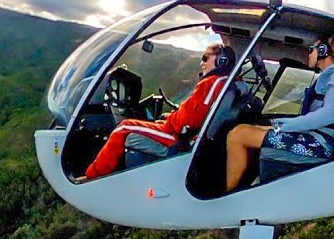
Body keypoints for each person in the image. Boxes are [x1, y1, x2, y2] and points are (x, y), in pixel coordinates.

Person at [82, 43, 235, 180]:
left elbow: (187, 123)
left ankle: (92, 177)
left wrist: (172, 120)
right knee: (152, 120)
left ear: (221, 60)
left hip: (180, 139)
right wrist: (172, 117)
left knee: (123, 127)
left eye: (206, 57)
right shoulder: (225, 82)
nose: (202, 63)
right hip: (186, 135)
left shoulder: (211, 83)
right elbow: (195, 114)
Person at [225, 33, 334, 191]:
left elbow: (330, 113)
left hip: (319, 143)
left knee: (238, 135)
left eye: (311, 49)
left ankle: (228, 196)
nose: (308, 54)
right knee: (249, 128)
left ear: (322, 50)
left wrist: (287, 126)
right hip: (315, 136)